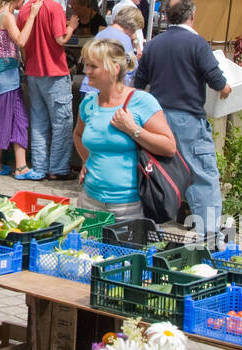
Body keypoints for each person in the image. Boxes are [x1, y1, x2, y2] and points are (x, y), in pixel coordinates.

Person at [134, 0, 231, 240]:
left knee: (156, 173)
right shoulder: (197, 43)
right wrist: (226, 89)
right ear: (192, 15)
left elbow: (139, 83)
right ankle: (208, 236)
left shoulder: (154, 44)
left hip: (157, 117)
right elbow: (217, 80)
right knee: (202, 175)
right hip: (188, 118)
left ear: (166, 17)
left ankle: (150, 229)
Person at [73, 38, 177, 219]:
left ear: (114, 69)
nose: (87, 71)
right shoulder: (89, 103)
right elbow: (78, 134)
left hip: (129, 206)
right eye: (86, 66)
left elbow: (169, 147)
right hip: (90, 201)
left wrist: (133, 129)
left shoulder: (141, 101)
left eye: (93, 66)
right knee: (87, 248)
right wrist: (86, 162)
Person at [17, 0, 80, 181]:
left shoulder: (25, 9)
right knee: (61, 122)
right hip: (54, 71)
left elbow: (22, 44)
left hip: (33, 71)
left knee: (39, 122)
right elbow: (61, 40)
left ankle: (40, 166)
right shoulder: (54, 8)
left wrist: (27, 64)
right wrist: (71, 26)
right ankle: (58, 168)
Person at [0, 0, 41, 177]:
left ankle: (21, 166)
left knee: (19, 119)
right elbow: (20, 40)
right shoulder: (7, 16)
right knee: (3, 120)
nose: (25, 0)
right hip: (6, 75)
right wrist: (32, 16)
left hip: (7, 74)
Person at [81, 5, 142, 97]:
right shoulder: (124, 39)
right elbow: (129, 68)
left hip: (88, 87)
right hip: (105, 91)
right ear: (132, 26)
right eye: (135, 30)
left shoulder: (101, 33)